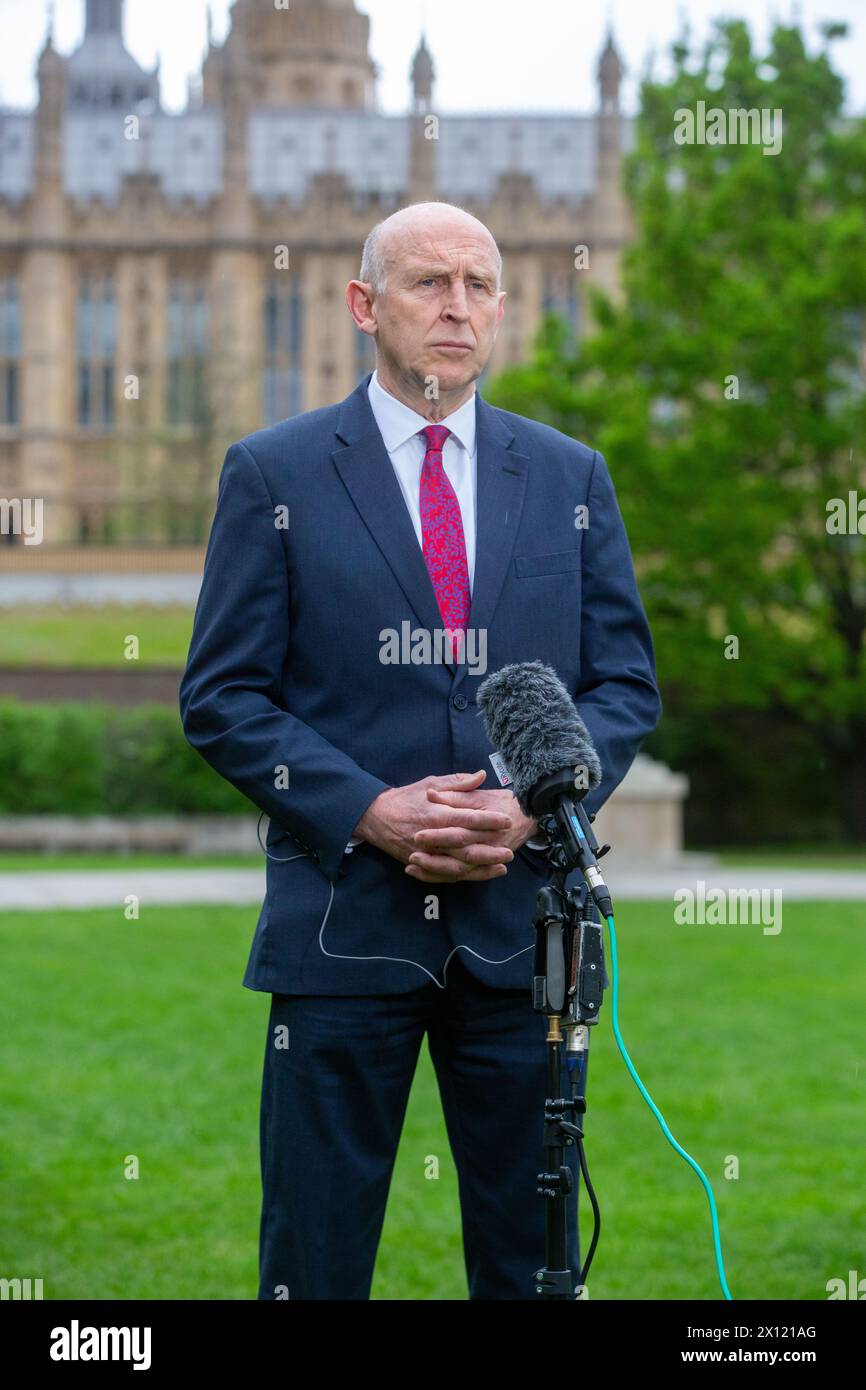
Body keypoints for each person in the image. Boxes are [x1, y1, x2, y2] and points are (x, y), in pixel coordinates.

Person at [179, 200, 661, 1300]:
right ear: (363, 305)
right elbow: (222, 695)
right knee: (313, 1256)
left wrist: (527, 804)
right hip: (343, 928)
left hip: (518, 931)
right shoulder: (275, 473)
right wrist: (368, 810)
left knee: (528, 1262)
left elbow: (624, 685)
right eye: (428, 282)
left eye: (478, 285)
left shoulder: (570, 477)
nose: (457, 306)